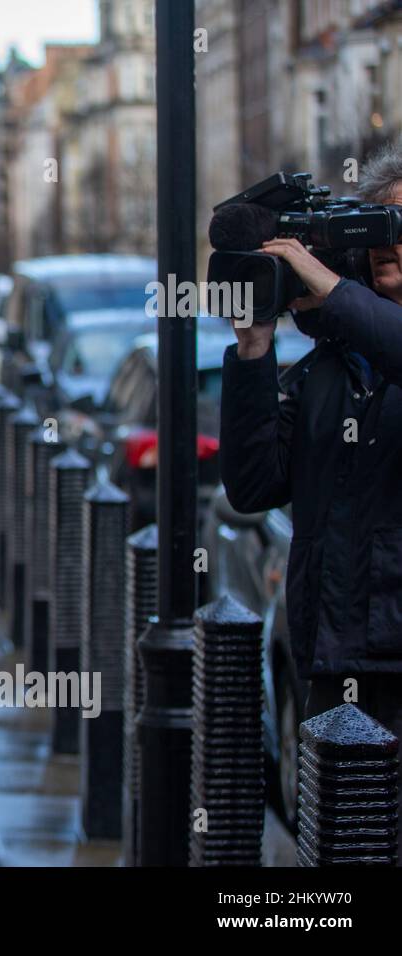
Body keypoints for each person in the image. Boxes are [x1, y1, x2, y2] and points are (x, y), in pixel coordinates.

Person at [220, 139, 402, 860]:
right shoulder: (329, 371)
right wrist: (254, 350)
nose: (394, 246)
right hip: (332, 659)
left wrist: (326, 287)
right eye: (385, 227)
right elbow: (253, 485)